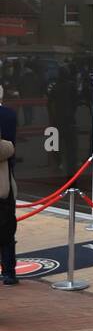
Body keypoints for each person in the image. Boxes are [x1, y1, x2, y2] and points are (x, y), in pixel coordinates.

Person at [0, 87, 18, 285]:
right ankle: (9, 271)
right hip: (5, 180)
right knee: (6, 229)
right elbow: (7, 148)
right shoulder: (10, 114)